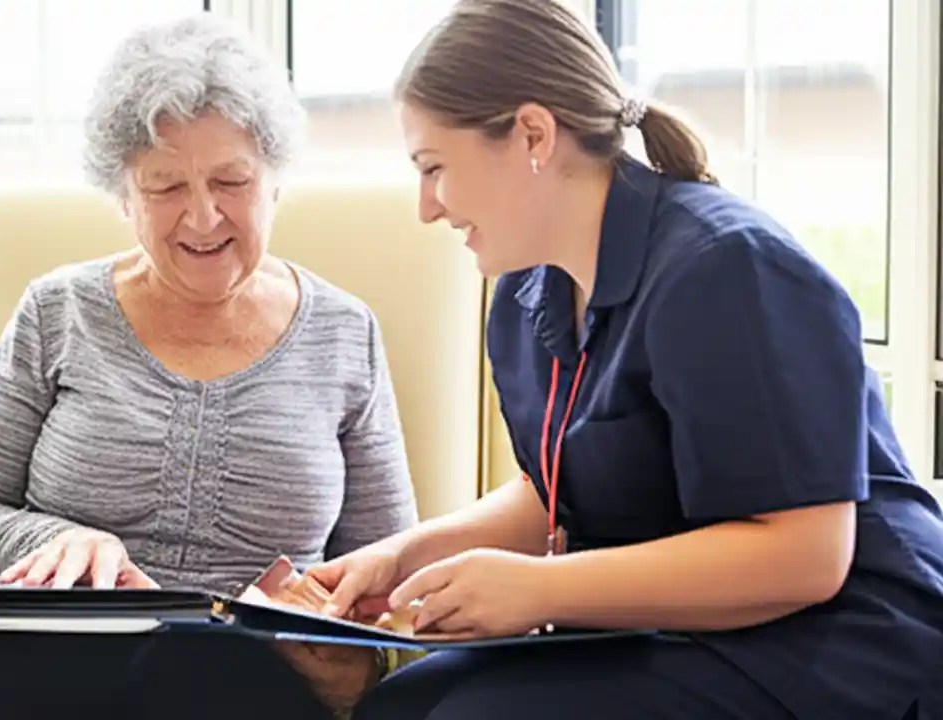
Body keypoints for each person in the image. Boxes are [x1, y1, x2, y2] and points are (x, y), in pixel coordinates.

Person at [307, 1, 943, 718]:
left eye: (434, 167)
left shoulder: (727, 269)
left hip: (843, 637)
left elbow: (806, 557)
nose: (426, 207)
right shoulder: (527, 292)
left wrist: (538, 588)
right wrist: (406, 557)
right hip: (682, 629)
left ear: (532, 135)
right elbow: (557, 489)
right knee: (400, 707)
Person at [0, 13, 418, 719]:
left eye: (231, 181)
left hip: (240, 672)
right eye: (166, 188)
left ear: (275, 182)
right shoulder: (59, 312)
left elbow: (390, 573)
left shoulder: (345, 333)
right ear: (123, 197)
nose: (202, 218)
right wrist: (58, 539)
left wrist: (360, 670)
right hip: (25, 647)